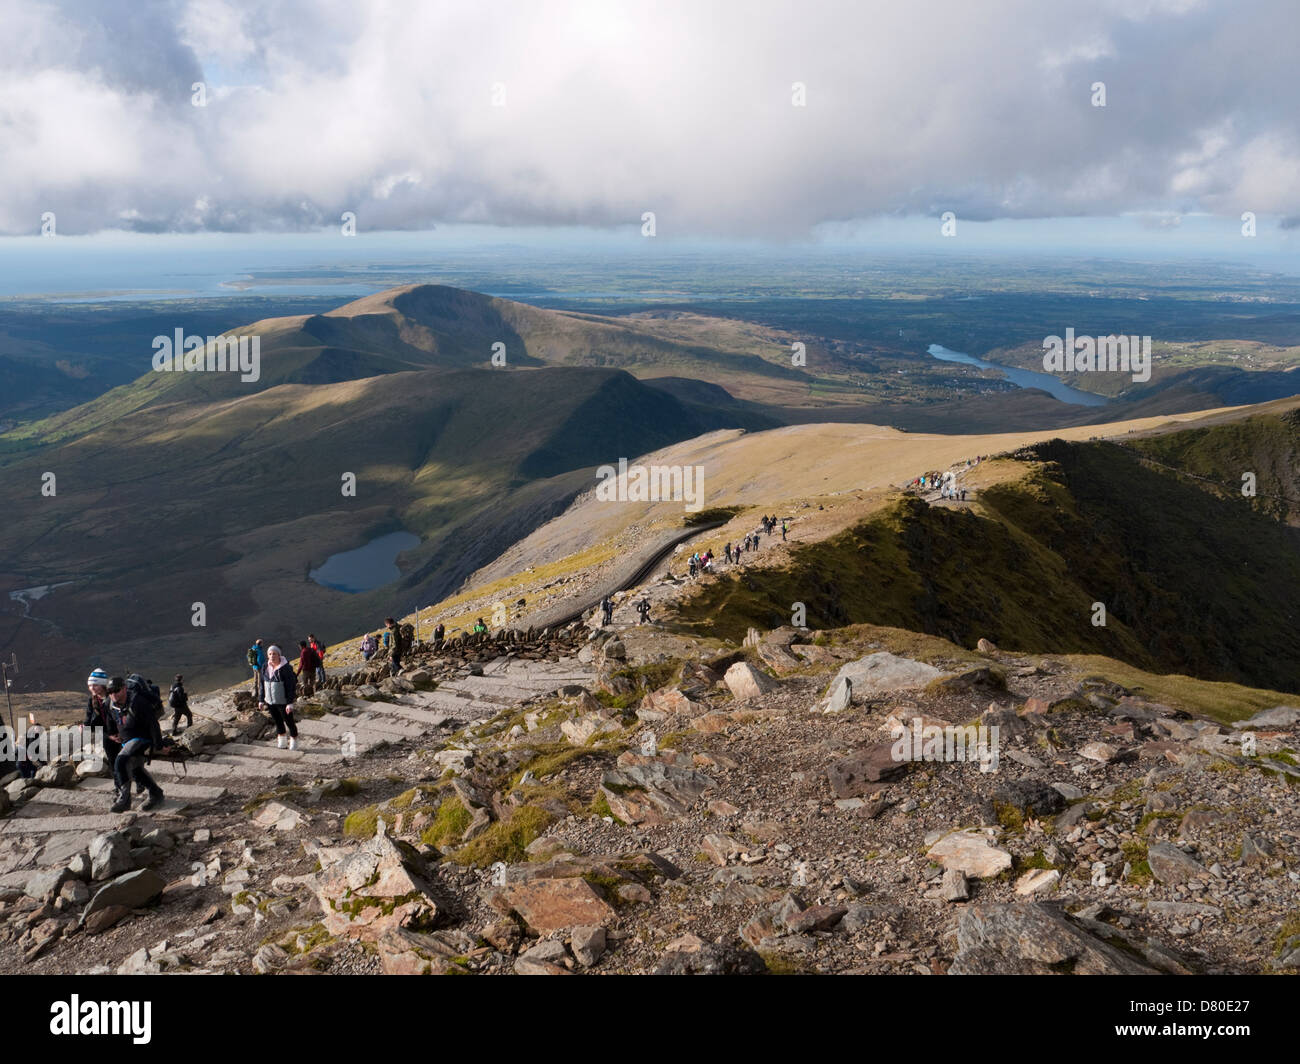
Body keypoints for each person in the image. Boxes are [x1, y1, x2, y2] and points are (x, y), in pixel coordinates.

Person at [105, 676, 164, 812]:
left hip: (142, 738)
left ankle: (125, 799)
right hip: (127, 740)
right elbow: (110, 719)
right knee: (135, 770)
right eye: (110, 691)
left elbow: (153, 724)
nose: (113, 694)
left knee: (121, 761)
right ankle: (156, 793)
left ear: (125, 689)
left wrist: (159, 745)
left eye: (116, 690)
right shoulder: (110, 703)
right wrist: (112, 733)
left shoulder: (138, 702)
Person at [258, 646, 299, 750]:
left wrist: (290, 702)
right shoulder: (264, 667)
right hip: (270, 702)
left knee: (289, 722)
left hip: (283, 702)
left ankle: (294, 739)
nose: (272, 656)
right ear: (267, 655)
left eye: (274, 654)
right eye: (270, 654)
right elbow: (262, 684)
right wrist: (261, 700)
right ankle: (282, 740)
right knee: (278, 721)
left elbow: (290, 686)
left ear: (279, 655)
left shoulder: (286, 668)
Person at [82, 667, 121, 777]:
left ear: (103, 685)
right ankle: (119, 785)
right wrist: (84, 726)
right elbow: (89, 717)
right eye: (90, 685)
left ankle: (135, 780)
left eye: (95, 685)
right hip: (106, 735)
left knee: (126, 758)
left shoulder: (113, 697)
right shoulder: (92, 700)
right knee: (113, 759)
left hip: (120, 731)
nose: (92, 688)